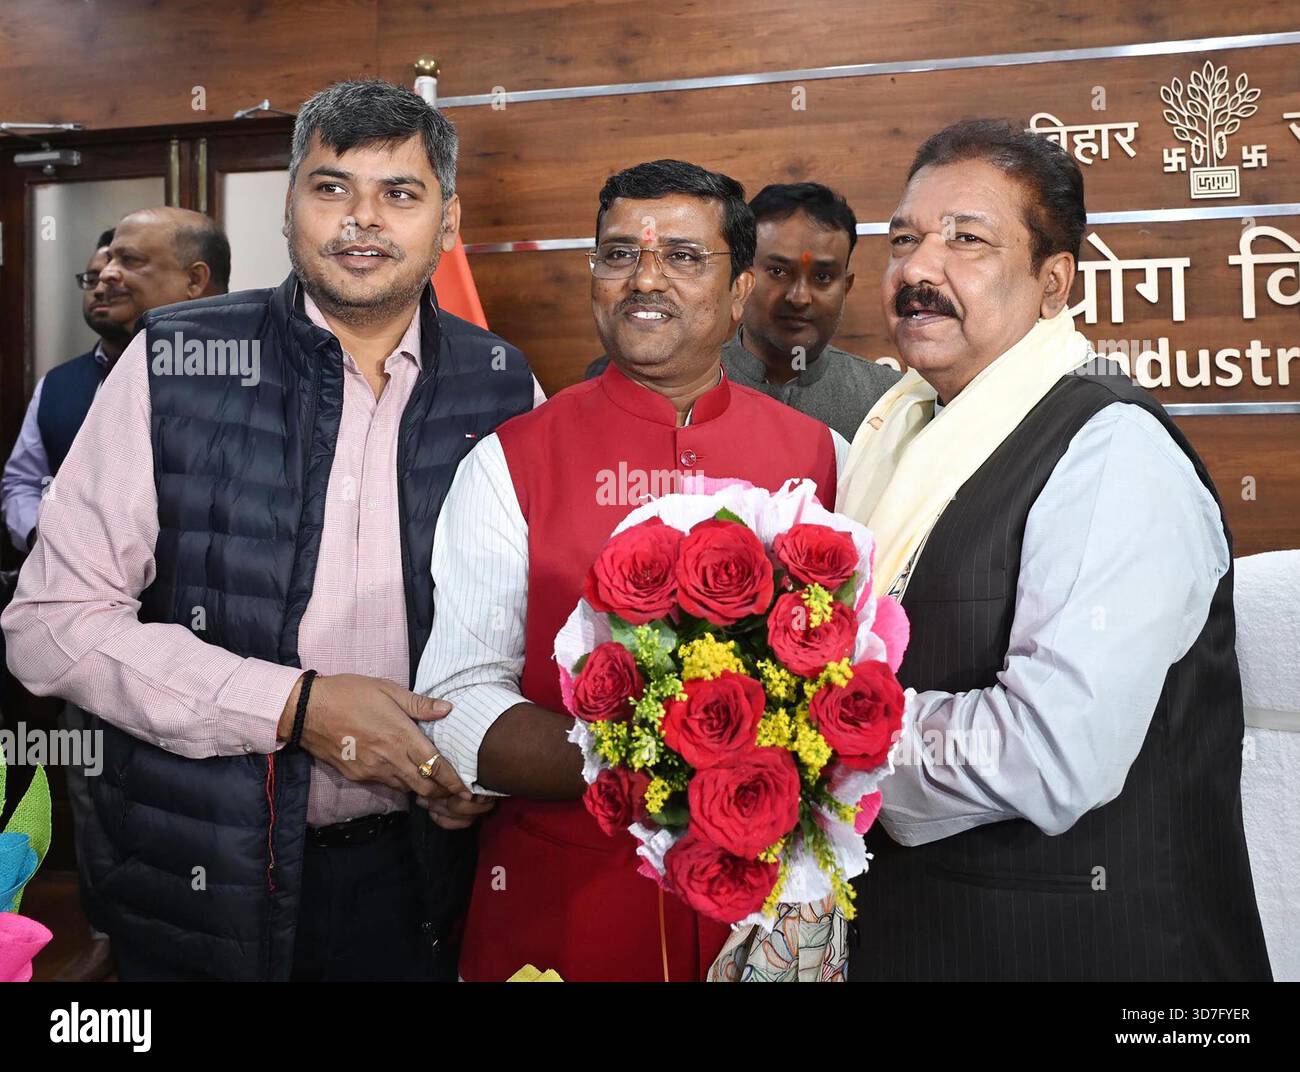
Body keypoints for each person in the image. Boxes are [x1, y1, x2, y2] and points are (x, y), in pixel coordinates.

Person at [3, 78, 536, 981]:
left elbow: (535, 618)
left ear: (447, 225)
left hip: (425, 871)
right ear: (288, 209)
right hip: (202, 869)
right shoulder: (174, 360)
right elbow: (50, 623)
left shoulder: (501, 382)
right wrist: (293, 707)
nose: (362, 220)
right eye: (331, 188)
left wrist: (486, 759)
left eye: (399, 194)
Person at [838, 119, 1271, 981]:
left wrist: (823, 742)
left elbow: (1047, 750)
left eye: (967, 240)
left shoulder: (1111, 453)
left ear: (1053, 282)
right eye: (904, 240)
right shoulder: (898, 434)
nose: (920, 270)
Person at [415, 159, 850, 982]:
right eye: (617, 255)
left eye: (684, 256)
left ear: (740, 291)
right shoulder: (513, 460)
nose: (644, 277)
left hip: (768, 918)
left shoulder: (822, 460)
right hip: (568, 902)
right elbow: (457, 699)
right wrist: (664, 761)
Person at [586, 182, 898, 439]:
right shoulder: (660, 382)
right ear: (741, 279)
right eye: (777, 271)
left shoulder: (888, 402)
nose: (800, 297)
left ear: (846, 287)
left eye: (822, 277)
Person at [2, 212, 230, 553]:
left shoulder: (248, 374)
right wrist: (43, 538)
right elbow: (24, 481)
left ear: (194, 280)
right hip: (79, 591)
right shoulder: (58, 384)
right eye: (93, 276)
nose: (104, 281)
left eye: (129, 261)